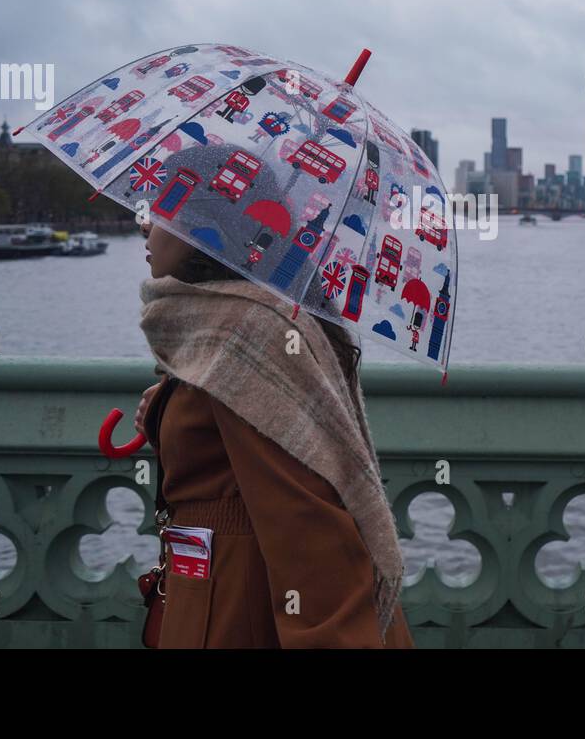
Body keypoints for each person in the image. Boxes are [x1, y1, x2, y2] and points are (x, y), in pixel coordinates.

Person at [134, 218, 414, 648]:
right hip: (216, 595)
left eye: (160, 214)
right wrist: (169, 409)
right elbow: (227, 464)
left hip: (237, 608)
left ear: (205, 226)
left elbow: (306, 522)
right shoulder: (236, 323)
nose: (144, 228)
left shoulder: (245, 335)